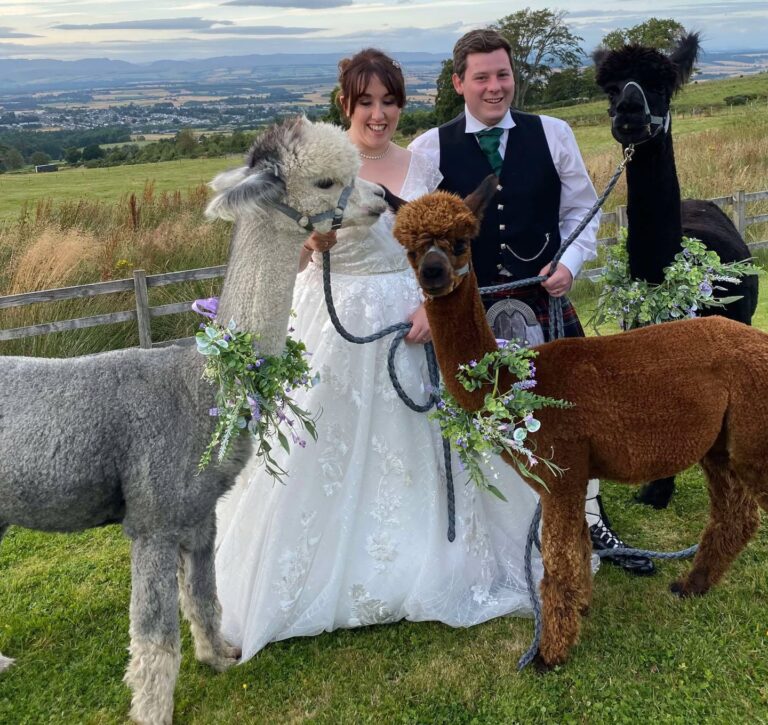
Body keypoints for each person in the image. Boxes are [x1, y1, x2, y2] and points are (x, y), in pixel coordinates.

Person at [214, 49, 559, 662]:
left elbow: (448, 237)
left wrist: (435, 307)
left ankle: (432, 558)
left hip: (414, 315)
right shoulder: (323, 166)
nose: (379, 115)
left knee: (427, 438)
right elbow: (290, 257)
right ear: (345, 104)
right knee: (318, 443)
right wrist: (310, 242)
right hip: (334, 323)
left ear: (402, 104)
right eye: (366, 102)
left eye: (389, 101)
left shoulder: (422, 159)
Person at [409, 29, 655, 575]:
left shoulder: (555, 133)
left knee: (575, 416)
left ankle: (591, 520)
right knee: (481, 414)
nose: (495, 87)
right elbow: (418, 233)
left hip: (545, 302)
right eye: (482, 78)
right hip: (470, 312)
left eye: (503, 75)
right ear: (459, 83)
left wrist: (569, 263)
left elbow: (581, 212)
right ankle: (491, 534)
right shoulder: (429, 149)